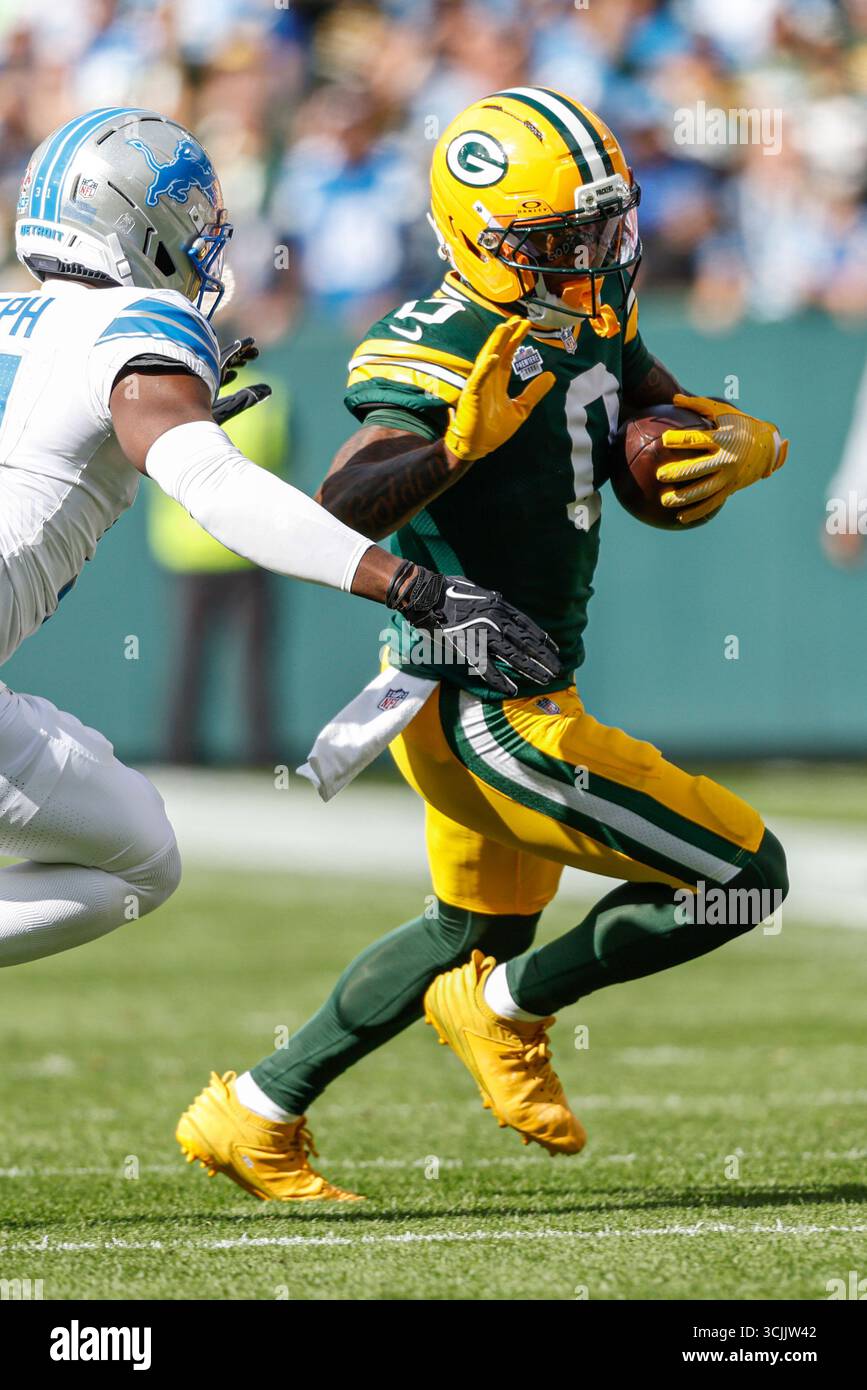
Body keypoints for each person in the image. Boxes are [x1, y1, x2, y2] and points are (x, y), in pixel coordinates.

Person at [176, 88, 789, 1203]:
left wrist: (744, 438)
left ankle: (254, 1110)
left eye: (609, 227)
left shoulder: (588, 313)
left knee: (471, 923)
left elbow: (657, 411)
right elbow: (345, 500)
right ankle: (504, 1006)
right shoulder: (438, 341)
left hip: (504, 691)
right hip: (483, 708)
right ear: (485, 237)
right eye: (567, 242)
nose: (598, 257)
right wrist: (454, 444)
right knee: (746, 876)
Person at [0, 105, 558, 988]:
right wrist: (412, 588)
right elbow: (217, 489)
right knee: (137, 864)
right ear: (138, 224)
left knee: (137, 842)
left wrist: (129, 433)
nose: (205, 244)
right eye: (188, 218)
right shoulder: (138, 322)